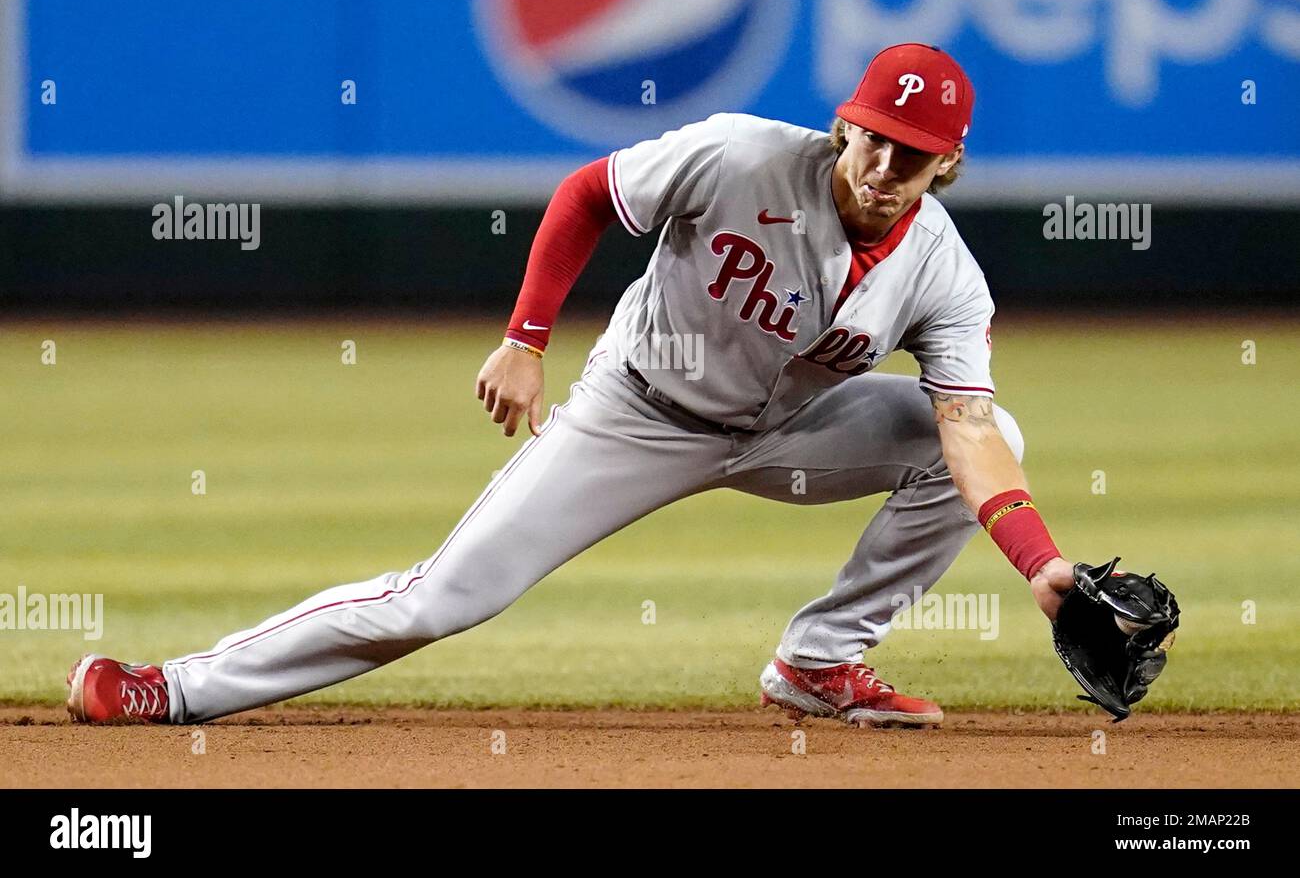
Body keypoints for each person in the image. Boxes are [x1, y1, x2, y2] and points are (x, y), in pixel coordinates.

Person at [67, 43, 1077, 729]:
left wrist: (1038, 561)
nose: (882, 163)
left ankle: (817, 662)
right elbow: (589, 192)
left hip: (789, 427)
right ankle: (174, 688)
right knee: (439, 599)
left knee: (996, 438)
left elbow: (967, 427)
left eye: (911, 153)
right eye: (869, 136)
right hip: (635, 411)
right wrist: (524, 336)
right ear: (841, 125)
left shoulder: (943, 272)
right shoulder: (738, 153)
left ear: (949, 162)